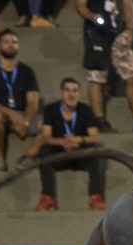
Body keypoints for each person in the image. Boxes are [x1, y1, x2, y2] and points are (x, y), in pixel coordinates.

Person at [20, 78, 105, 212]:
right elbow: (45, 137)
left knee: (95, 150)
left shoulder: (85, 110)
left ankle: (95, 197)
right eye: (67, 91)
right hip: (59, 155)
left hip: (79, 155)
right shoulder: (51, 109)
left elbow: (96, 136)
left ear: (79, 94)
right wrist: (61, 142)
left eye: (75, 91)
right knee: (44, 150)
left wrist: (78, 139)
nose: (71, 95)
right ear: (61, 94)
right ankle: (47, 197)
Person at [75, 0, 133, 134]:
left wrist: (129, 29)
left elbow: (128, 3)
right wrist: (92, 16)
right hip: (96, 31)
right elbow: (80, 6)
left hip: (118, 30)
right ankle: (99, 121)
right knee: (97, 76)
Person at [0, 29, 41, 172]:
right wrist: (11, 114)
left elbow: (33, 102)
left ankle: (29, 158)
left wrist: (25, 121)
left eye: (14, 42)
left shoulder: (26, 71)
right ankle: (0, 159)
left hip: (22, 114)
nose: (11, 45)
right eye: (6, 42)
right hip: (0, 113)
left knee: (49, 122)